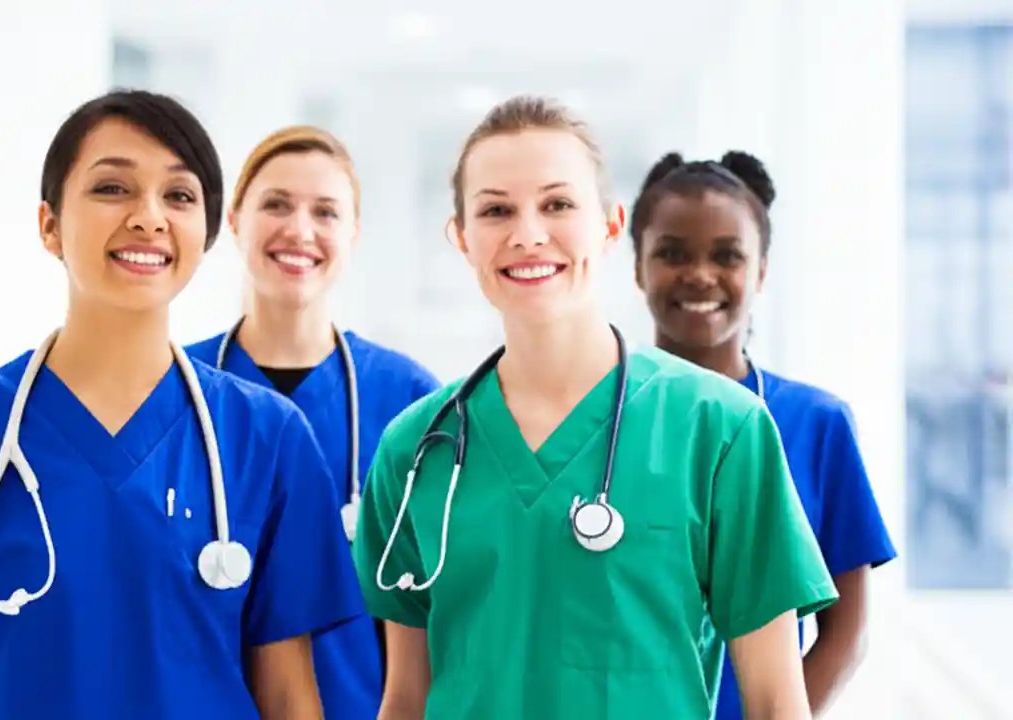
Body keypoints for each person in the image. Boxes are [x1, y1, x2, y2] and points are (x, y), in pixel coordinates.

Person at [0, 90, 364, 719]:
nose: (149, 216)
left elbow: (287, 697)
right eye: (112, 188)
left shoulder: (266, 438)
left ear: (207, 233)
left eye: (180, 195)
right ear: (49, 225)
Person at [350, 94, 840, 719]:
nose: (528, 234)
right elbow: (406, 699)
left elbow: (776, 704)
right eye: (496, 210)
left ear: (610, 225)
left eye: (557, 204)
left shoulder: (720, 430)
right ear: (462, 238)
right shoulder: (417, 447)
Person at [630, 150, 898, 718]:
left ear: (761, 269)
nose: (699, 275)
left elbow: (846, 631)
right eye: (672, 254)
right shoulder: (596, 419)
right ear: (637, 267)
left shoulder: (816, 423)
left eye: (727, 255)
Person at [187, 125, 440, 720]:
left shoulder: (409, 401)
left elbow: (433, 606)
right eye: (276, 204)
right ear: (234, 221)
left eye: (326, 212)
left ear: (353, 235)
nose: (300, 230)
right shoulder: (172, 387)